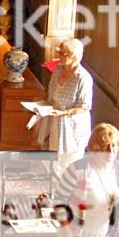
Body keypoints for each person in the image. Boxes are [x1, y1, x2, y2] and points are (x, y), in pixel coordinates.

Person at [36, 38, 93, 172]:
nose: (59, 56)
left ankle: (66, 190)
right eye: (59, 52)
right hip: (55, 122)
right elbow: (51, 95)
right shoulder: (58, 70)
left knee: (69, 165)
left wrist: (64, 113)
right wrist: (40, 103)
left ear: (73, 56)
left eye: (63, 53)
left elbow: (84, 106)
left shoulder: (82, 78)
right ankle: (55, 189)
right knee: (55, 162)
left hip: (71, 127)